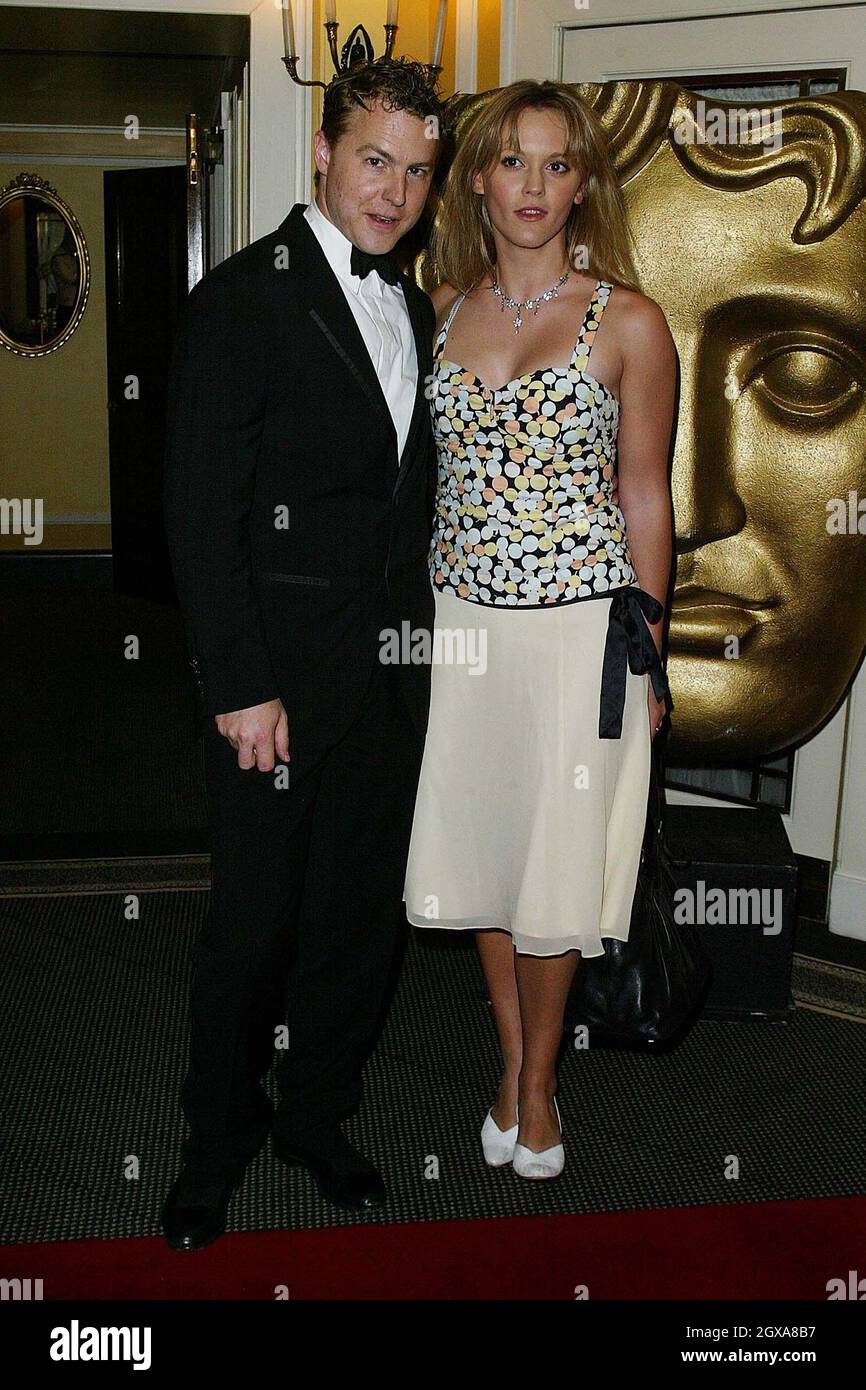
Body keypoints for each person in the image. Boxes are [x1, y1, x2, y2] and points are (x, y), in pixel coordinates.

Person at [161, 58, 442, 1250]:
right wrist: (238, 684)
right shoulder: (242, 297)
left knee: (353, 923)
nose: (393, 192)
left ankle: (318, 1117)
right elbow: (198, 506)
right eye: (374, 159)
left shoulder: (416, 303)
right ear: (322, 153)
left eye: (417, 171)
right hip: (273, 686)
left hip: (390, 676)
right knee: (252, 925)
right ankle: (214, 1139)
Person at [403, 79, 676, 1179]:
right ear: (476, 176)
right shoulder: (437, 308)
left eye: (556, 164)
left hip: (578, 638)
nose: (532, 184)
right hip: (463, 626)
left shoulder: (632, 320)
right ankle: (510, 1054)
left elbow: (646, 497)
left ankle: (535, 1081)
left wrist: (648, 651)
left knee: (555, 874)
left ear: (581, 185)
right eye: (512, 160)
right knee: (483, 857)